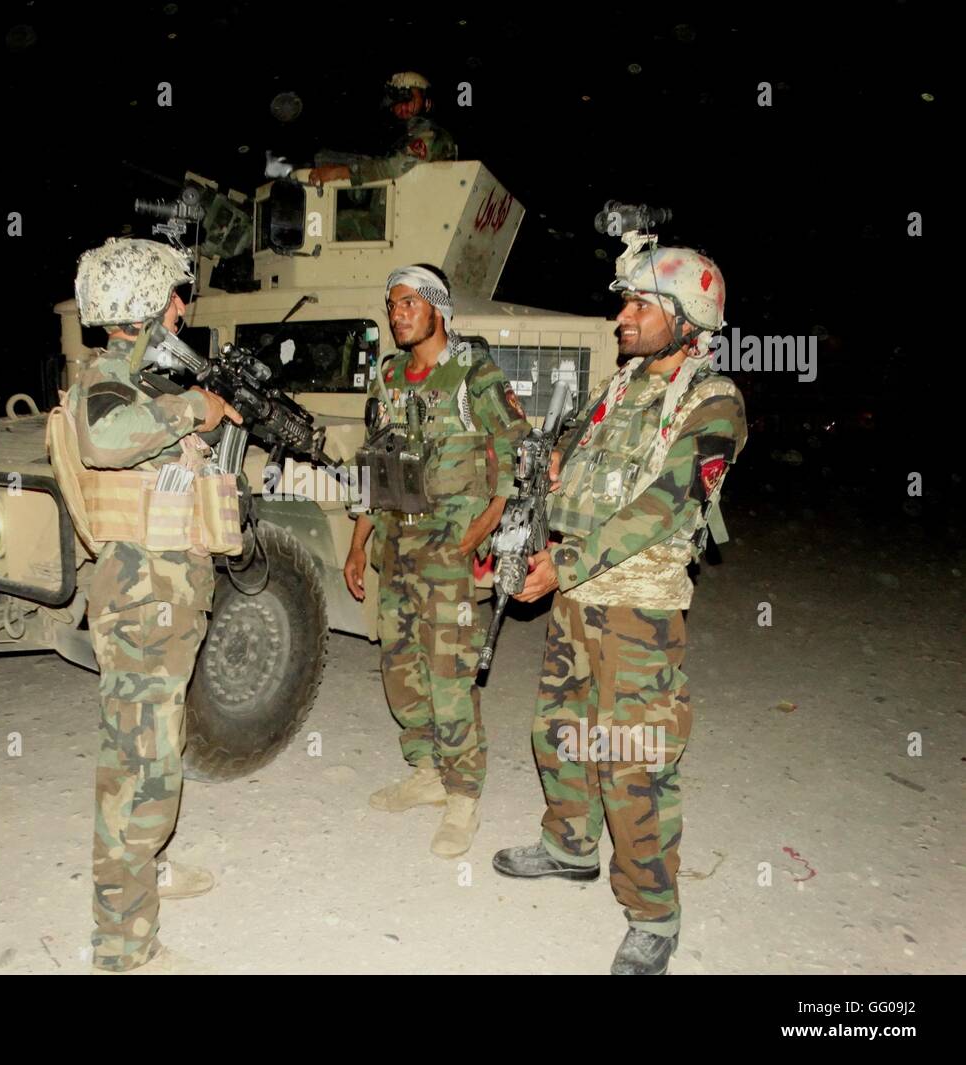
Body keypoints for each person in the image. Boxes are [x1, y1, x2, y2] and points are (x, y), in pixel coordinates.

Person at [491, 237, 747, 975]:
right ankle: (569, 845)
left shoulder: (715, 403)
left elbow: (666, 506)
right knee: (562, 729)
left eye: (640, 304)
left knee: (634, 760)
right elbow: (571, 463)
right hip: (577, 597)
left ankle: (653, 912)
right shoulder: (620, 387)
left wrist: (561, 563)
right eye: (625, 300)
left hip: (638, 608)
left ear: (687, 318)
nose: (622, 316)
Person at [48, 237, 241, 973]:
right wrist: (197, 407)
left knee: (154, 746)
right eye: (175, 297)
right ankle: (124, 944)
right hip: (139, 606)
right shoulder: (106, 382)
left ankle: (148, 873)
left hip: (161, 604)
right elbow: (104, 440)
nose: (184, 308)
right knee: (137, 766)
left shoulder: (141, 379)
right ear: (148, 304)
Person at [343, 264, 524, 858]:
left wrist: (481, 531)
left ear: (436, 307)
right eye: (390, 305)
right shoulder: (391, 376)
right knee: (400, 669)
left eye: (406, 303)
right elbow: (375, 464)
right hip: (396, 550)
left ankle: (463, 795)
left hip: (450, 552)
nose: (396, 314)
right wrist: (358, 541)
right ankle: (424, 771)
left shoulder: (474, 374)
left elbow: (514, 455)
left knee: (450, 677)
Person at [309, 71, 458, 188]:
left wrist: (340, 172)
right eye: (396, 104)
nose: (402, 107)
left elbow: (396, 168)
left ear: (426, 100)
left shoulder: (432, 135)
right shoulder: (402, 141)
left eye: (408, 98)